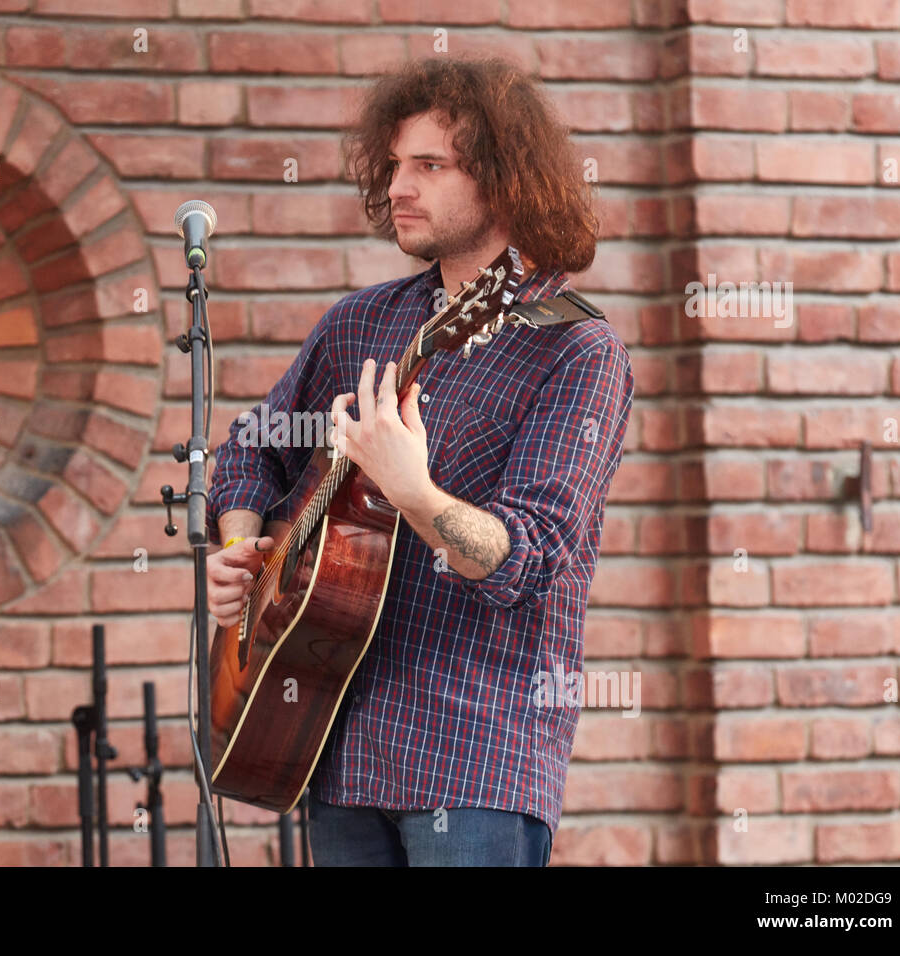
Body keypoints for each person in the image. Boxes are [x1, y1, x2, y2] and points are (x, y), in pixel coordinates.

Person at [204, 56, 635, 866]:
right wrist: (239, 548)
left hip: (476, 753)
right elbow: (250, 449)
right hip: (333, 742)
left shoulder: (577, 351)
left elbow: (530, 558)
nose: (398, 186)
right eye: (396, 165)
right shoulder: (361, 325)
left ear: (507, 181)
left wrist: (410, 489)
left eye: (430, 166)